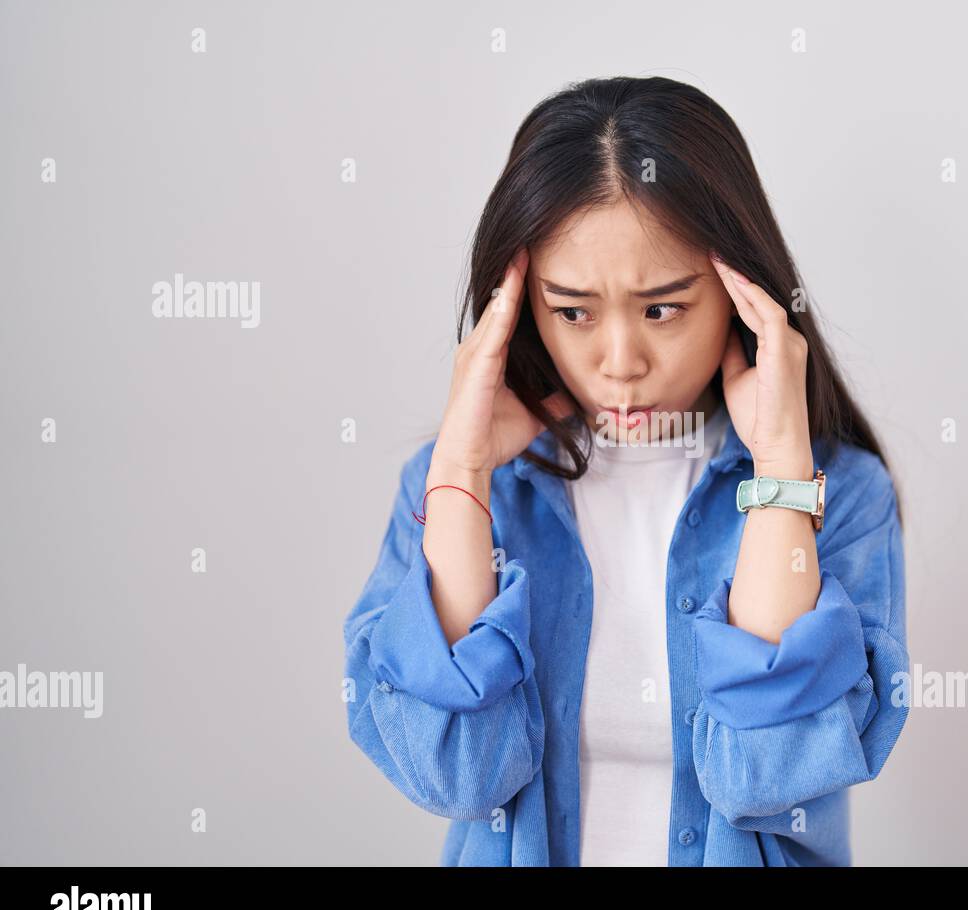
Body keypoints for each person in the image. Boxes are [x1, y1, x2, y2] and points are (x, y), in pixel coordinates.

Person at [343, 76, 908, 866]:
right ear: (522, 308)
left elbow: (768, 772)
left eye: (662, 309)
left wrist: (781, 464)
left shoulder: (838, 493)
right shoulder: (454, 493)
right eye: (572, 311)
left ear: (742, 294)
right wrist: (463, 470)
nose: (619, 362)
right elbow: (456, 776)